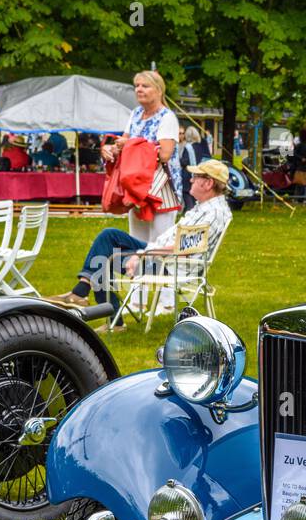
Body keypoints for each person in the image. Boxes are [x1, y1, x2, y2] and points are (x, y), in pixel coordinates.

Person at [48, 159, 233, 331]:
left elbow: (183, 249)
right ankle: (85, 293)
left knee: (102, 259)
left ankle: (94, 304)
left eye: (196, 177)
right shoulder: (206, 207)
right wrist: (144, 251)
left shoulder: (213, 212)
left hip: (170, 266)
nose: (190, 180)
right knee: (109, 236)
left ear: (208, 183)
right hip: (162, 257)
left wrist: (142, 254)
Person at [102, 70, 182, 242]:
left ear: (159, 90)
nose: (139, 89)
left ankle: (157, 270)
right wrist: (111, 149)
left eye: (145, 86)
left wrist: (129, 144)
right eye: (137, 86)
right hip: (136, 186)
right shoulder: (136, 114)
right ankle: (138, 270)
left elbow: (165, 154)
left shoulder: (167, 117)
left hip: (160, 189)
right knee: (136, 241)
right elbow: (123, 142)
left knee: (159, 243)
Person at [178, 126, 210, 210]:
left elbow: (185, 161)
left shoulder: (188, 147)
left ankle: (189, 214)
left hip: (188, 175)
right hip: (198, 174)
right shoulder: (199, 147)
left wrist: (178, 160)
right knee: (195, 196)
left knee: (187, 196)